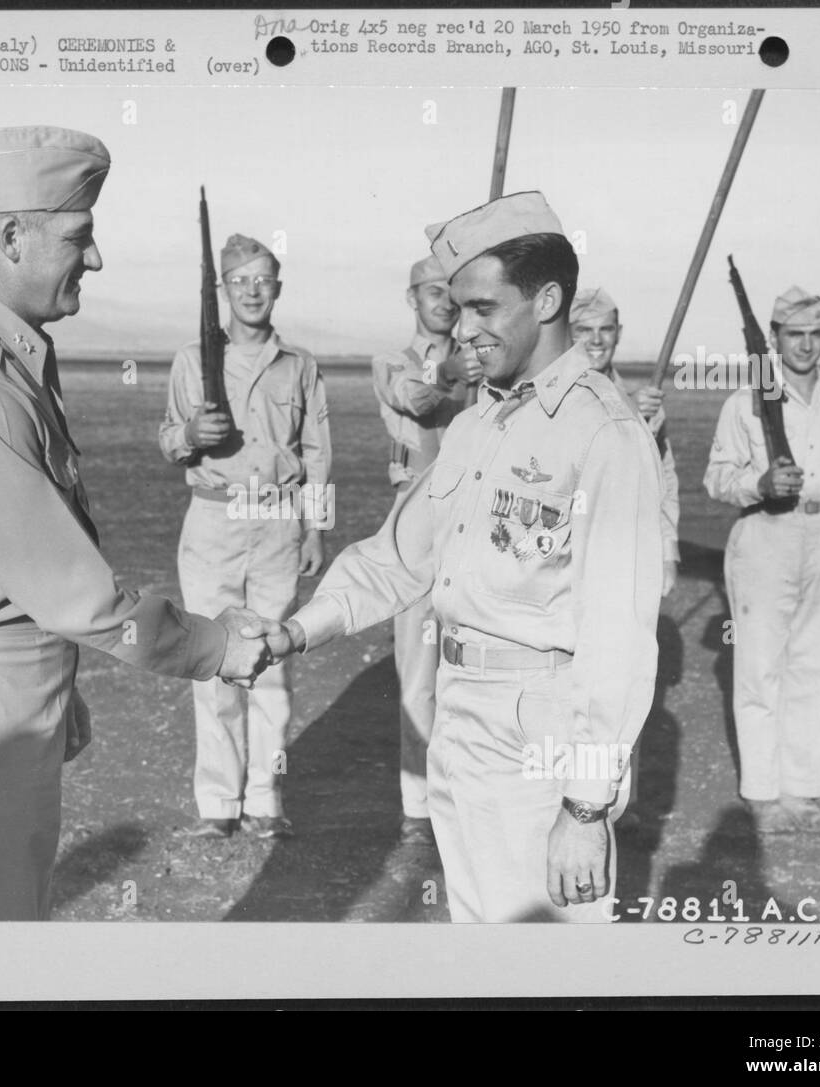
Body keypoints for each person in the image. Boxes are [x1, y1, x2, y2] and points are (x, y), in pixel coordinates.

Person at [0, 126, 271, 921]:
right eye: (80, 237)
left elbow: (10, 577)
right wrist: (216, 645)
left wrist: (53, 686)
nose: (96, 258)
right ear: (11, 237)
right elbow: (71, 595)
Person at [259, 192, 665, 921]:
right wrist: (292, 632)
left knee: (546, 965)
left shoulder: (603, 434)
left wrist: (584, 807)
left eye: (483, 309)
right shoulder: (480, 424)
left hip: (543, 734)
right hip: (462, 715)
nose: (462, 329)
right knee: (482, 945)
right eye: (457, 308)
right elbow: (395, 558)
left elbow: (620, 636)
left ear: (546, 302)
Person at [159, 234, 332, 840]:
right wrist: (191, 434)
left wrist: (316, 527)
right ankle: (218, 804)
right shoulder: (192, 360)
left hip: (280, 524)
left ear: (277, 288)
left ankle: (265, 800)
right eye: (240, 281)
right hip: (213, 522)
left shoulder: (301, 365)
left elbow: (316, 451)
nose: (253, 291)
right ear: (223, 290)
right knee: (213, 659)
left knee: (274, 663)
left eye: (263, 280)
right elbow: (167, 439)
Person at [703, 286, 820, 834]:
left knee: (813, 664)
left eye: (815, 333)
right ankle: (761, 793)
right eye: (794, 334)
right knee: (758, 668)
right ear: (773, 339)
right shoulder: (745, 402)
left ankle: (801, 788)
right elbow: (715, 478)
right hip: (765, 534)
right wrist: (759, 481)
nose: (805, 345)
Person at [369, 255, 474, 845]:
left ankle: (466, 799)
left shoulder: (479, 358)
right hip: (417, 515)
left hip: (473, 515)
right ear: (412, 298)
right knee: (418, 672)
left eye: (452, 292)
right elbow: (420, 400)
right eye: (433, 292)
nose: (443, 302)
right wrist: (457, 366)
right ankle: (418, 809)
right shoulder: (394, 362)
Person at [570, 287, 681, 595]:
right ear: (567, 336)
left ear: (618, 334)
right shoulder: (553, 398)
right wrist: (627, 410)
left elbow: (663, 482)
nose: (596, 340)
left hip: (625, 552)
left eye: (605, 330)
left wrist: (667, 551)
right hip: (565, 553)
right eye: (584, 330)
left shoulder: (647, 404)